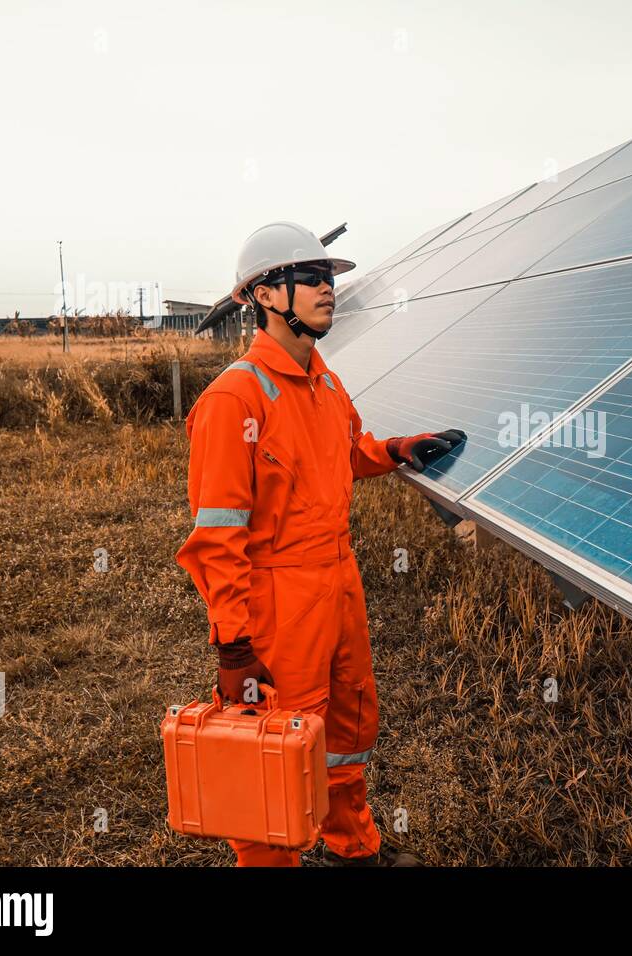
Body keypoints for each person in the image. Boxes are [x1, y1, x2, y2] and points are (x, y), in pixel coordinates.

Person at [176, 221, 466, 867]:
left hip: (339, 583)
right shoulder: (235, 398)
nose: (327, 289)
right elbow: (216, 538)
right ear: (264, 295)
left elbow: (344, 454)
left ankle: (352, 849)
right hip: (278, 599)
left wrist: (395, 451)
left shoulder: (327, 384)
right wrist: (233, 645)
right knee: (272, 746)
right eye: (309, 278)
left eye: (330, 278)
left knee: (348, 728)